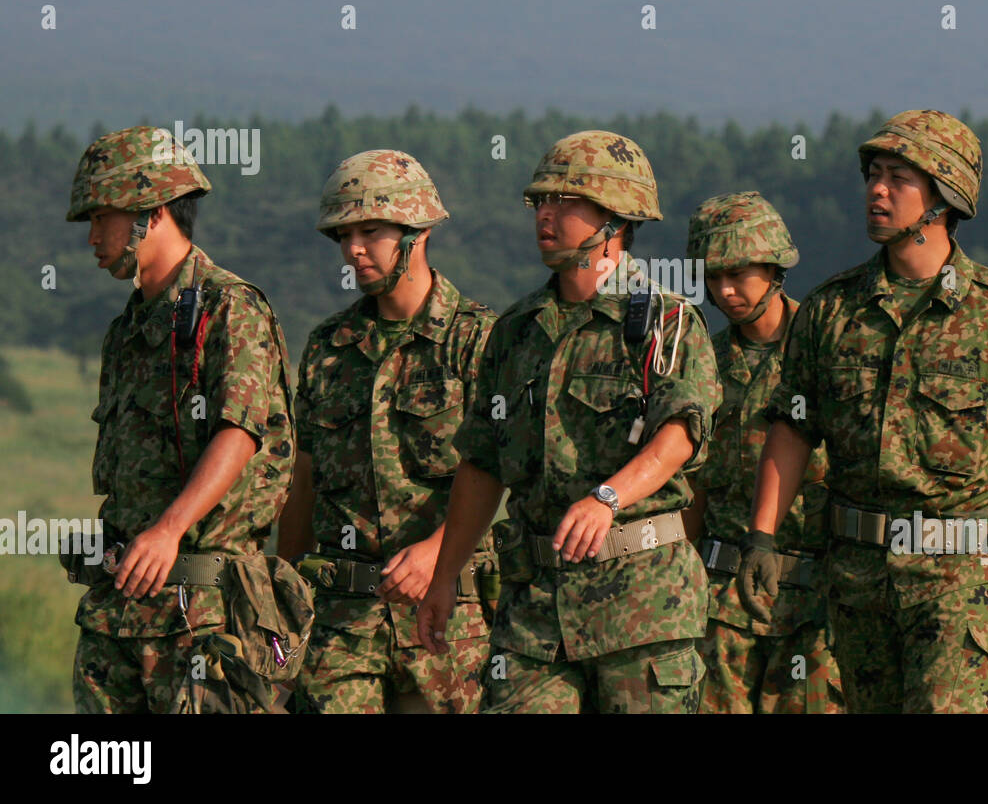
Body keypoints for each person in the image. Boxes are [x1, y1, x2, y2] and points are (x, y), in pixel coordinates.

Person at [740, 109, 988, 713]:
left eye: (898, 178)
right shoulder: (830, 311)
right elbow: (794, 428)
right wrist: (761, 537)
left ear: (944, 197)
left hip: (961, 584)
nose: (877, 190)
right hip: (857, 582)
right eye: (873, 174)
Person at [416, 130, 721, 712]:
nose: (546, 216)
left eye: (566, 203)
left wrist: (608, 496)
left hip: (642, 610)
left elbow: (679, 434)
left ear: (615, 219)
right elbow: (483, 464)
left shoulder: (666, 321)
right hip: (535, 612)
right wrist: (445, 577)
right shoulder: (516, 332)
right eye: (540, 202)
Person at [65, 126, 294, 713]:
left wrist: (168, 530)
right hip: (119, 617)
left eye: (103, 218)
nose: (92, 237)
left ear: (152, 213)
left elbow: (240, 433)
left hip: (202, 616)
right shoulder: (128, 329)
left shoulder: (228, 307)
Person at [279, 150, 497, 713]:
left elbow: (508, 473)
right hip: (340, 622)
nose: (353, 248)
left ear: (416, 233)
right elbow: (303, 479)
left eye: (370, 231)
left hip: (447, 616)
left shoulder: (479, 340)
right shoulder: (329, 347)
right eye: (344, 234)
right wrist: (282, 597)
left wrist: (437, 553)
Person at [683, 191, 843, 713]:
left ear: (775, 268)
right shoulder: (703, 362)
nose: (725, 290)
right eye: (713, 277)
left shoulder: (829, 351)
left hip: (816, 600)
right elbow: (691, 486)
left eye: (739, 274)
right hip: (720, 601)